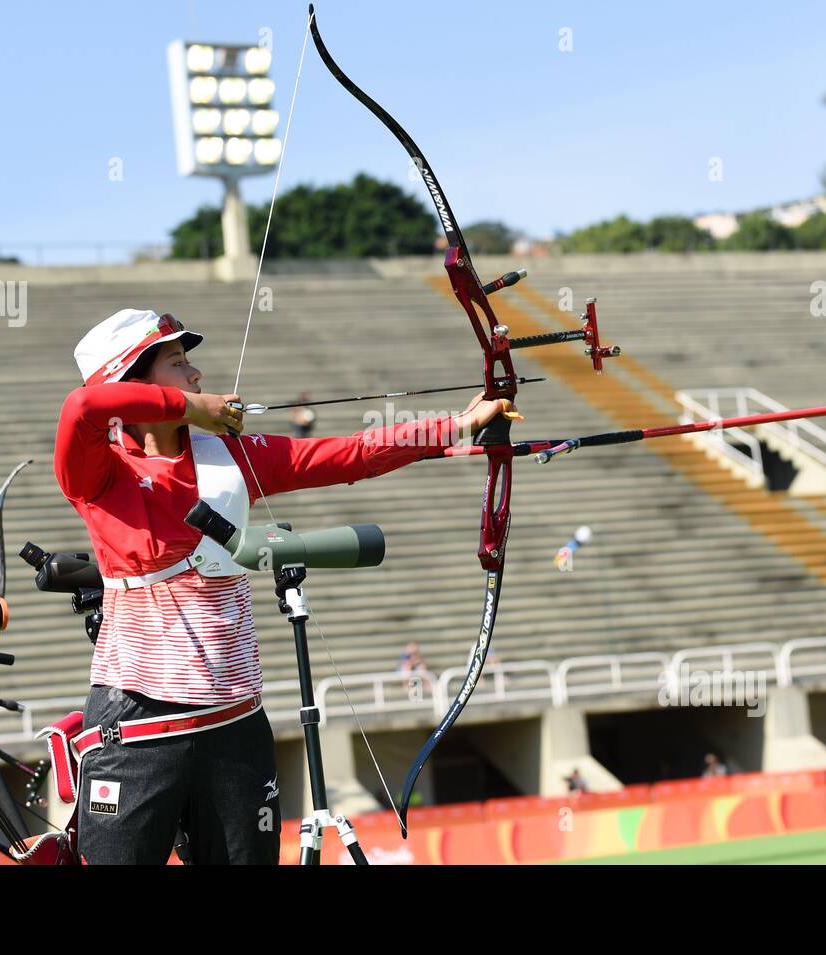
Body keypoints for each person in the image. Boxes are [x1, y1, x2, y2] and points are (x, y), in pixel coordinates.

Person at [56, 308, 516, 864]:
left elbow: (349, 455)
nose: (197, 375)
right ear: (130, 380)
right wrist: (192, 408)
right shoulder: (98, 470)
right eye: (178, 364)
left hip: (235, 726)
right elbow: (82, 405)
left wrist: (452, 427)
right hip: (139, 725)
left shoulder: (230, 458)